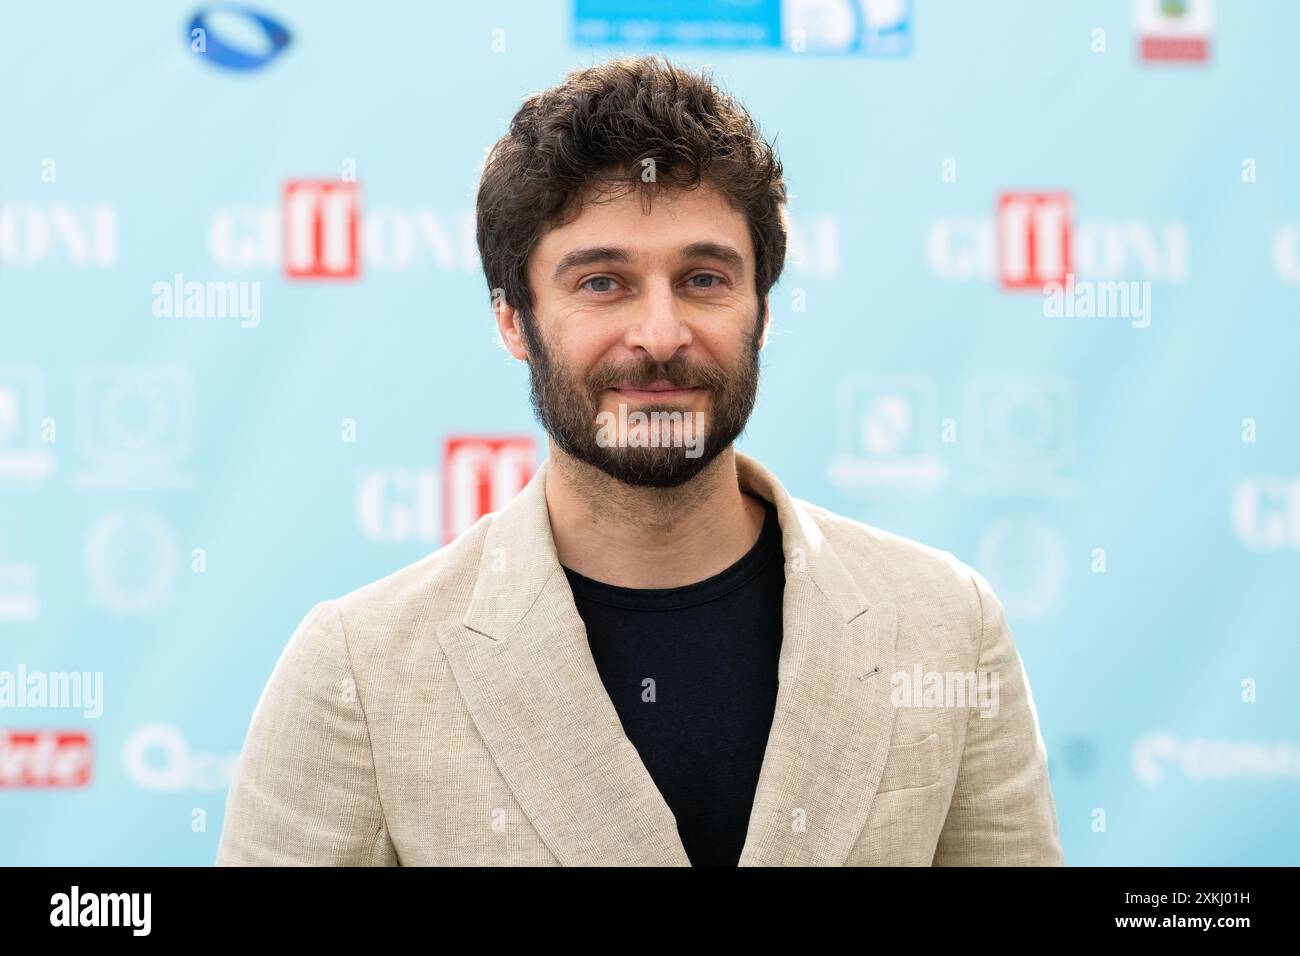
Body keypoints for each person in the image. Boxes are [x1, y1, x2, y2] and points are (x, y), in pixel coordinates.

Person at [217, 54, 1064, 867]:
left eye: (703, 279)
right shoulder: (360, 670)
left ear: (762, 313)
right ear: (513, 320)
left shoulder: (946, 626)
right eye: (602, 283)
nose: (660, 335)